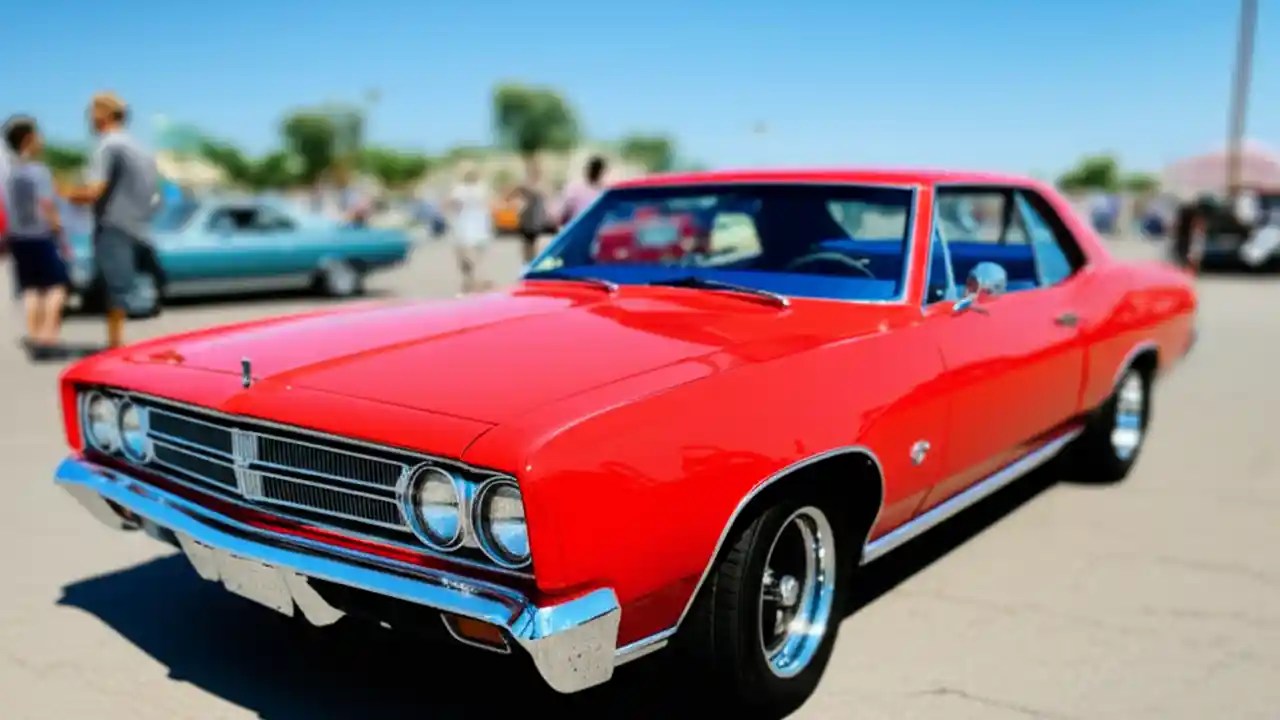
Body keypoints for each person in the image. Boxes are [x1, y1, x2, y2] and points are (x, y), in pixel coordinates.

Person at [60, 92, 159, 349]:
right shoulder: (140, 148)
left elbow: (95, 190)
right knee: (128, 285)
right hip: (138, 225)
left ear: (101, 115)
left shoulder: (107, 146)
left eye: (90, 113)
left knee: (115, 290)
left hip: (112, 224)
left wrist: (63, 192)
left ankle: (116, 348)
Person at [3, 116, 70, 359]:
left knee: (31, 288)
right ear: (28, 139)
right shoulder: (38, 171)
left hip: (19, 237)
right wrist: (58, 226)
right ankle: (48, 337)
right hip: (41, 235)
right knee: (57, 287)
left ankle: (34, 337)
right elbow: (46, 203)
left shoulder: (8, 172)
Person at [447, 164, 494, 293]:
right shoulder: (481, 188)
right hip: (476, 225)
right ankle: (473, 281)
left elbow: (450, 204)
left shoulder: (460, 189)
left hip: (467, 226)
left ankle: (473, 282)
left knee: (468, 257)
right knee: (472, 257)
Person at [509, 163, 548, 264]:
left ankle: (529, 263)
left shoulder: (534, 186)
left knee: (531, 244)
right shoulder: (531, 186)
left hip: (534, 219)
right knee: (529, 244)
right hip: (529, 219)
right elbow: (513, 194)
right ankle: (528, 263)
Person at [560, 155, 608, 225]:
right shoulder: (574, 188)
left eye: (597, 170)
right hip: (576, 227)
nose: (594, 172)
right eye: (593, 169)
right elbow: (564, 212)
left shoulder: (604, 192)